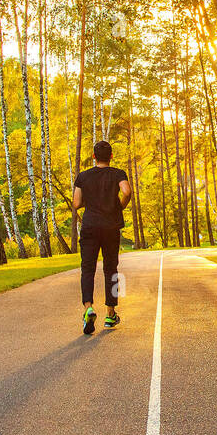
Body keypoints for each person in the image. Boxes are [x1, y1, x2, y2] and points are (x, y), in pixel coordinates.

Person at [73, 140, 131, 334]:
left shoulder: (83, 177)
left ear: (94, 157)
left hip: (90, 227)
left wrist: (90, 201)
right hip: (111, 227)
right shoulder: (118, 173)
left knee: (87, 269)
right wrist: (119, 206)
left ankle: (88, 308)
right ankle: (110, 313)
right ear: (111, 156)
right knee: (111, 270)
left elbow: (76, 202)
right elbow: (127, 191)